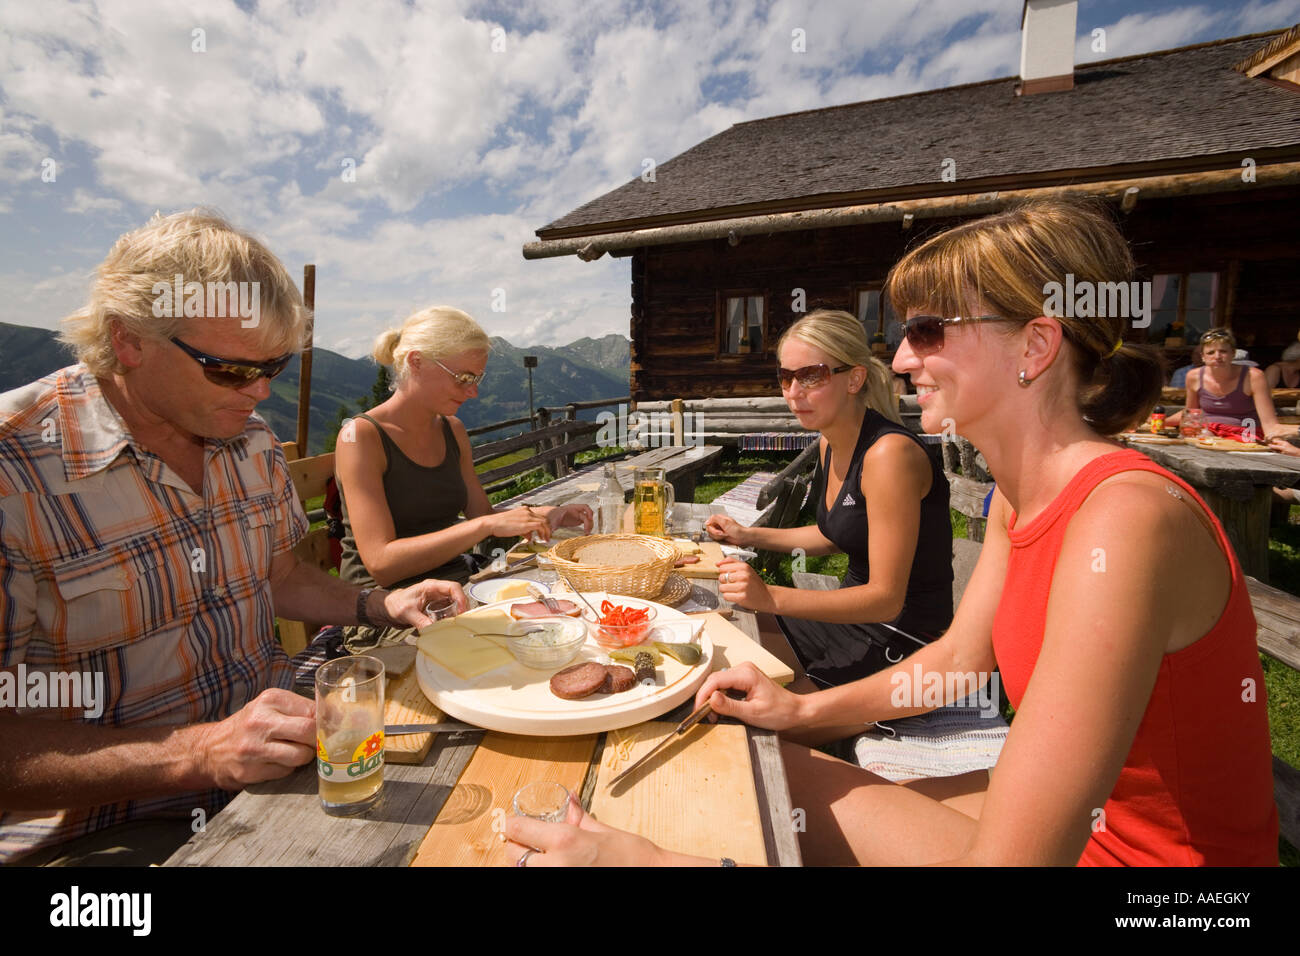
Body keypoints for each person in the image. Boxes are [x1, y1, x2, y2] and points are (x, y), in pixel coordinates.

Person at [503, 200, 1278, 866]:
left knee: (737, 799)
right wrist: (801, 713)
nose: (902, 357)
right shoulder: (1020, 499)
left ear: (1035, 347)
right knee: (747, 767)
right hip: (1080, 825)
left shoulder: (1126, 518)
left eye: (930, 331)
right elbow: (957, 661)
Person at [0, 210, 467, 866]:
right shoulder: (14, 469)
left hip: (286, 752)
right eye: (230, 370)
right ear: (128, 340)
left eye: (275, 365)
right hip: (110, 827)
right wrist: (196, 753)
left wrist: (379, 605)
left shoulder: (247, 441)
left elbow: (279, 576)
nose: (261, 391)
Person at [702, 309, 952, 688]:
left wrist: (769, 596)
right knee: (721, 650)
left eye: (811, 376)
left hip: (904, 642)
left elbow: (886, 599)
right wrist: (746, 535)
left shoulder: (888, 456)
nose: (792, 393)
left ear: (854, 379)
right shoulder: (829, 444)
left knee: (744, 713)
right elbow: (833, 534)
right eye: (785, 377)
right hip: (851, 621)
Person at [333, 307, 591, 643]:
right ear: (416, 362)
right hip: (387, 611)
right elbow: (382, 564)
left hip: (454, 589)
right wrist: (483, 527)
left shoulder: (452, 430)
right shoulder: (361, 437)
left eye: (477, 379)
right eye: (464, 377)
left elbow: (482, 516)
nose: (473, 392)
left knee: (567, 618)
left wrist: (548, 514)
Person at [1184, 328, 1284, 438]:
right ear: (1203, 356)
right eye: (1211, 352)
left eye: (1223, 351)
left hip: (1245, 434)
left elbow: (1270, 425)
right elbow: (1191, 416)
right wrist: (1164, 420)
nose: (1217, 357)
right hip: (1207, 433)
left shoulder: (1253, 377)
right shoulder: (1194, 377)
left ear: (1233, 354)